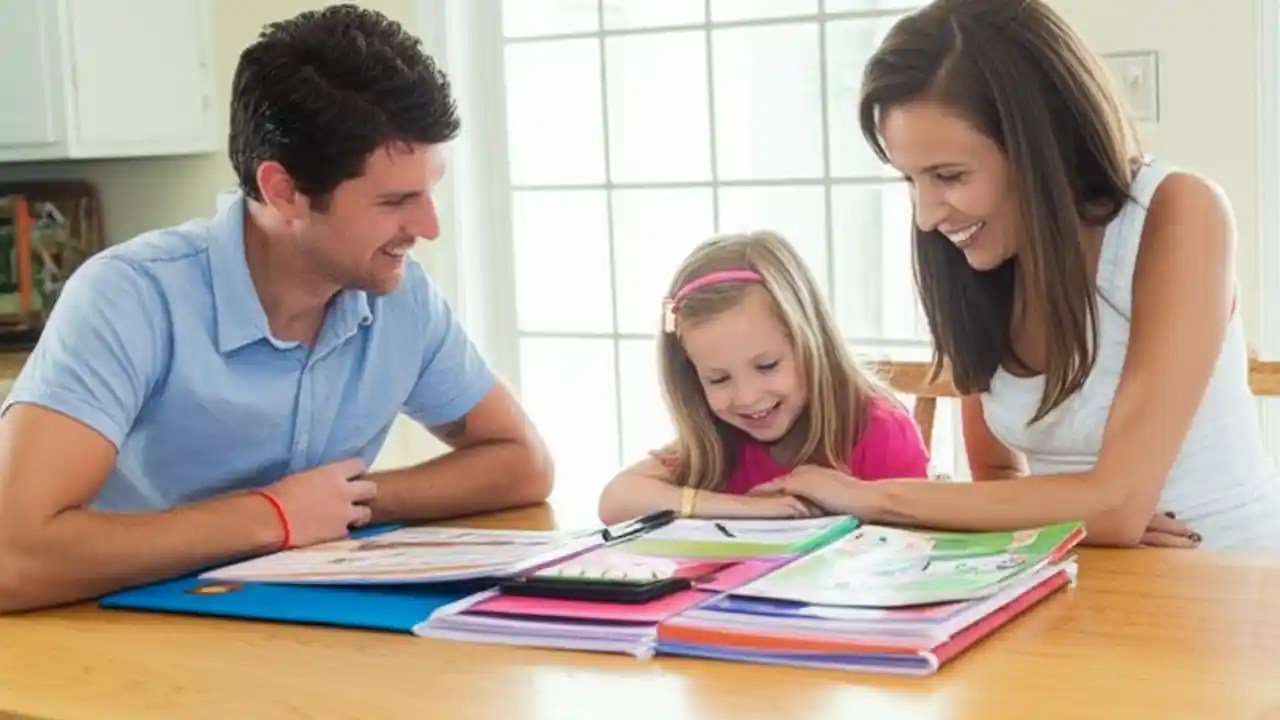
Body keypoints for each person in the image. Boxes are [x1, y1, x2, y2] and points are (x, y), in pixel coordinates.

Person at [0, 5, 553, 613]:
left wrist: (347, 500)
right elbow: (13, 558)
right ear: (283, 190)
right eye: (396, 200)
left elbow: (522, 463)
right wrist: (272, 515)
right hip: (107, 651)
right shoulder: (129, 298)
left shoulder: (399, 297)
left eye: (430, 190)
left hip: (285, 630)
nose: (428, 226)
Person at [753, 0, 1280, 551]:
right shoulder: (977, 259)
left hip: (1226, 576)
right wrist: (1081, 517)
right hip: (1088, 579)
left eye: (949, 175)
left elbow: (1118, 507)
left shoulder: (1177, 213)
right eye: (910, 180)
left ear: (1039, 145)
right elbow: (1002, 480)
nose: (927, 215)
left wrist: (872, 496)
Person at [597, 231, 930, 525]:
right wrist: (747, 508)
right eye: (718, 379)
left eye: (768, 365)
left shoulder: (880, 431)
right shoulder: (718, 441)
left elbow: (916, 551)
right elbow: (616, 499)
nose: (746, 396)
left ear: (810, 343)